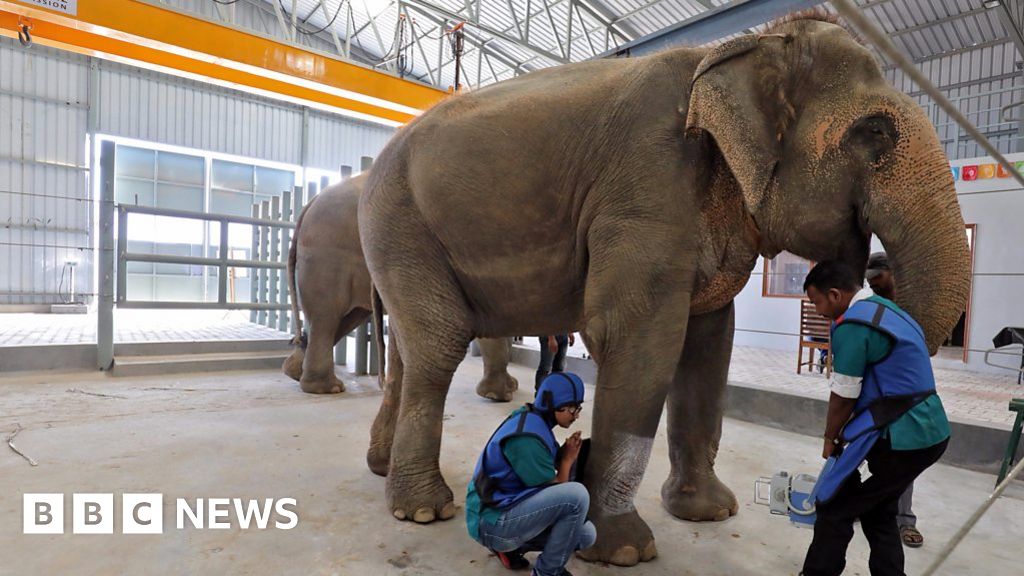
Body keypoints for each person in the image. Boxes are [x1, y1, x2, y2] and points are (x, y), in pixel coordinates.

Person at [801, 261, 950, 576]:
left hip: (904, 436)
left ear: (834, 294)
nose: (816, 310)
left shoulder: (855, 325)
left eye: (816, 302)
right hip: (929, 431)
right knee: (880, 511)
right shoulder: (887, 309)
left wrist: (830, 438)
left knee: (834, 507)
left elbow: (844, 394)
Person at [466, 372, 596, 576]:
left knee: (586, 534)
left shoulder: (535, 420)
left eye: (578, 407)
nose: (576, 414)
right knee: (577, 497)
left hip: (509, 507)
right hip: (492, 523)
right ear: (555, 404)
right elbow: (559, 486)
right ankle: (546, 572)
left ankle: (514, 549)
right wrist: (567, 460)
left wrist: (565, 453)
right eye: (572, 407)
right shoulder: (526, 438)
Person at [865, 252, 923, 549]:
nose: (874, 282)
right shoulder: (866, 309)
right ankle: (855, 506)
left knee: (901, 459)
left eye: (879, 275)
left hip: (903, 398)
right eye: (870, 277)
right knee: (857, 453)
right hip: (871, 393)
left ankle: (904, 520)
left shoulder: (909, 311)